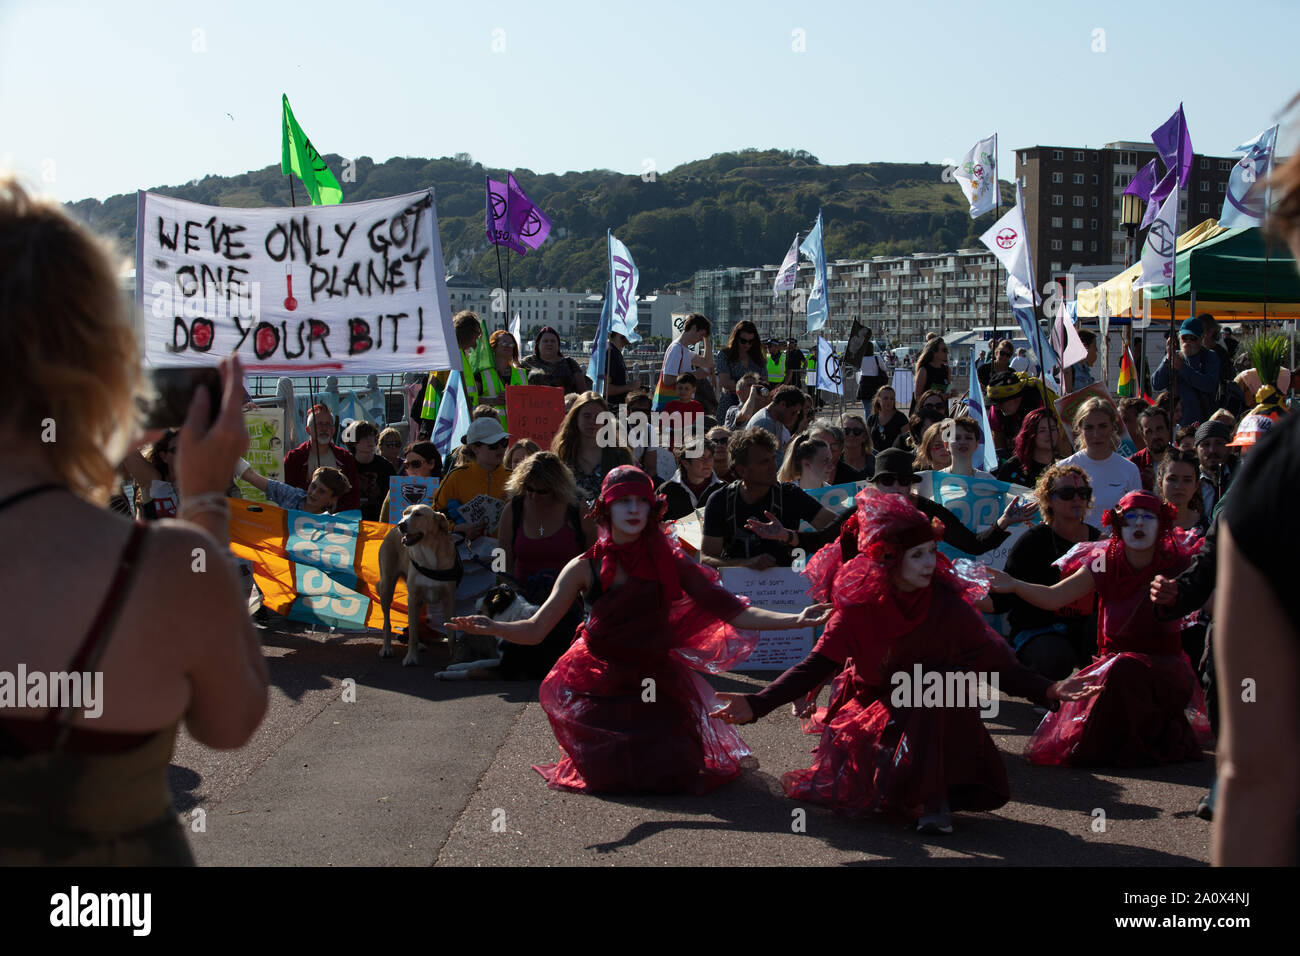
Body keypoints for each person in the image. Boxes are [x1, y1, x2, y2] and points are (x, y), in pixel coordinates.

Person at [713, 491, 1097, 833]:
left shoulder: (946, 604)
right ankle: (912, 788)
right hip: (875, 706)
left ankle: (934, 798)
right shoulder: (859, 609)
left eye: (932, 552)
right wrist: (756, 704)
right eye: (917, 555)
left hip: (931, 705)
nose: (929, 563)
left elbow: (996, 662)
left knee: (940, 682)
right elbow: (813, 667)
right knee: (927, 689)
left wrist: (1048, 688)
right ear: (890, 559)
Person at [449, 466, 832, 795]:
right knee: (610, 775)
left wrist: (798, 618)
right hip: (600, 681)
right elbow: (535, 630)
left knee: (674, 773)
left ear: (652, 508)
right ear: (605, 509)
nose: (632, 509)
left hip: (656, 679)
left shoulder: (671, 559)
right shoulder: (584, 567)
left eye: (640, 501)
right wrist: (493, 627)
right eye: (622, 501)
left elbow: (732, 610)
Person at [990, 491, 1207, 767]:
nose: (1138, 524)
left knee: (1124, 669)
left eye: (1147, 517)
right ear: (1118, 525)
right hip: (1113, 669)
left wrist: (1181, 593)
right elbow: (1054, 597)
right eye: (1130, 518)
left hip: (1163, 670)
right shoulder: (1105, 560)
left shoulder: (1177, 560)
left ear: (1161, 523)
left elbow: (1213, 601)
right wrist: (1015, 584)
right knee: (1117, 673)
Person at [485, 451, 596, 680]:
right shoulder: (513, 509)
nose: (534, 496)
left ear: (558, 488)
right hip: (523, 602)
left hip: (568, 605)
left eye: (542, 491)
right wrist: (506, 594)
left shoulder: (578, 510)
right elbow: (503, 558)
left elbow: (595, 558)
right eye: (529, 489)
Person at [989, 465, 1100, 679]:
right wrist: (962, 587)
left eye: (1083, 494)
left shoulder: (1099, 542)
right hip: (1038, 628)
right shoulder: (1032, 541)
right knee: (1054, 658)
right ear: (1049, 500)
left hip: (1084, 628)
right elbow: (1001, 601)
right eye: (1067, 494)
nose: (1076, 499)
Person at [699, 428, 840, 570]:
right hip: (737, 589)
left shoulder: (789, 495)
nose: (773, 466)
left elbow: (839, 529)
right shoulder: (720, 501)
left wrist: (789, 536)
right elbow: (706, 559)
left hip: (787, 587)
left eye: (773, 458)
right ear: (742, 470)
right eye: (764, 462)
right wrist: (746, 564)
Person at [1056, 397, 1142, 518]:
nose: (1096, 434)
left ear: (1112, 427)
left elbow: (1137, 516)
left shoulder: (1130, 469)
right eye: (1089, 428)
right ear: (1080, 430)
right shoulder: (1063, 468)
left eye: (1102, 426)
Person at [434, 418, 510, 540]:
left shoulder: (514, 478)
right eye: (494, 445)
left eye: (504, 443)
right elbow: (434, 515)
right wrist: (456, 528)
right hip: (466, 553)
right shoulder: (456, 477)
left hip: (504, 553)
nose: (501, 449)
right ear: (475, 448)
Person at [552, 391, 634, 503]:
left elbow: (629, 496)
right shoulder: (562, 454)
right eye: (587, 416)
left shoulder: (620, 456)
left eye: (598, 416)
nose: (592, 422)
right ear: (576, 418)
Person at [283, 404, 362, 512]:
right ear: (308, 430)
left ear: (333, 430)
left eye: (328, 424)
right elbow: (287, 492)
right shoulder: (294, 458)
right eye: (319, 424)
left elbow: (353, 495)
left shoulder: (345, 457)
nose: (324, 428)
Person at [1152, 316, 1221, 429]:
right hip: (1176, 425)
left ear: (1201, 338)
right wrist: (1168, 359)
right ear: (1179, 338)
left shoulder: (1209, 356)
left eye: (1193, 338)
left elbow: (1209, 384)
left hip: (1202, 423)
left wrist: (1182, 368)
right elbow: (1156, 384)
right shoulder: (1173, 356)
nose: (1188, 342)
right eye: (1185, 338)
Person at [236, 462, 350, 515]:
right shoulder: (292, 495)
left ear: (333, 499)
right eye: (313, 486)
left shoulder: (331, 526)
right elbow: (251, 475)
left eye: (322, 491)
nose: (314, 493)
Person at [657, 438, 725, 521]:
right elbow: (656, 523)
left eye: (710, 457)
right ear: (685, 463)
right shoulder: (666, 491)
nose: (707, 462)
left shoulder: (724, 490)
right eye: (701, 457)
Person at [657, 313, 713, 410]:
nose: (701, 339)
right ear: (694, 328)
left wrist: (707, 338)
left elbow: (707, 362)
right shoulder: (676, 349)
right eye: (701, 335)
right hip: (670, 406)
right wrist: (695, 375)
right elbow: (668, 380)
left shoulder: (683, 350)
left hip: (676, 406)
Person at [377, 440, 441, 525]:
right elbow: (383, 523)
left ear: (431, 463)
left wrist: (439, 505)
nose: (410, 469)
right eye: (406, 465)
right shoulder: (396, 489)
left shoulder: (444, 488)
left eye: (416, 464)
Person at [994, 407, 1059, 488]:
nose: (1049, 434)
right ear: (1030, 434)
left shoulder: (1066, 463)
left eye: (1052, 429)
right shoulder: (1012, 467)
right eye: (1042, 430)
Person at [715, 321, 766, 422]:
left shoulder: (759, 358)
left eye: (751, 341)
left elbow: (765, 383)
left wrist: (742, 386)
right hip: (729, 405)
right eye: (743, 341)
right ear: (736, 338)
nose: (747, 344)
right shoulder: (725, 355)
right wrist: (753, 388)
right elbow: (725, 382)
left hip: (754, 408)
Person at [345, 421, 395, 522]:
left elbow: (395, 496)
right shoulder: (345, 466)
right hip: (350, 521)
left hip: (379, 521)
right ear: (353, 442)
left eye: (371, 436)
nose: (369, 440)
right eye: (364, 437)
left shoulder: (386, 467)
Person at [123, 430, 180, 520]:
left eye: (187, 448)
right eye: (176, 450)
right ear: (164, 456)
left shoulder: (201, 482)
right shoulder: (155, 482)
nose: (182, 453)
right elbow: (125, 443)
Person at [477, 329, 528, 426]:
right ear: (493, 346)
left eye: (511, 344)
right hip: (490, 431)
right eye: (504, 343)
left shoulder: (522, 374)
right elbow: (470, 401)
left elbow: (529, 403)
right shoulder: (482, 374)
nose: (508, 346)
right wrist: (493, 401)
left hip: (516, 430)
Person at [521, 326, 591, 395]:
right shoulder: (526, 362)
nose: (549, 344)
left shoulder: (570, 363)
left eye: (553, 341)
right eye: (545, 341)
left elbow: (583, 393)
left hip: (565, 404)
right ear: (538, 344)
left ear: (558, 345)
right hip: (535, 404)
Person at [1157, 448, 1208, 536]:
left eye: (1187, 480)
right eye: (1172, 479)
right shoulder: (1148, 523)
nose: (1179, 486)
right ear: (1160, 482)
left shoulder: (1206, 528)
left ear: (1196, 486)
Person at [1193, 420, 1236, 517]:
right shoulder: (1188, 479)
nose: (1212, 450)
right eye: (1206, 444)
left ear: (1229, 447)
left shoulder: (1240, 476)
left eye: (1219, 443)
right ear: (1195, 451)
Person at [746, 384, 804, 455]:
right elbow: (767, 461)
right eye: (793, 412)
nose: (795, 417)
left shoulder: (776, 421)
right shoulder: (765, 423)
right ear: (782, 404)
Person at [1130, 405, 1171, 492]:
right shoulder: (1133, 465)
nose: (1155, 436)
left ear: (1168, 430)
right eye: (1149, 432)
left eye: (1159, 429)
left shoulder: (1183, 461)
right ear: (1142, 436)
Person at [894, 389, 948, 454]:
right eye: (928, 407)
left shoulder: (953, 435)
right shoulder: (902, 441)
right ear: (920, 409)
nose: (934, 410)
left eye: (939, 406)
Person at [911, 337, 950, 413]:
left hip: (942, 412)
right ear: (935, 353)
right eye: (944, 350)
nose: (947, 353)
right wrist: (935, 399)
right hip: (927, 413)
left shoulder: (946, 369)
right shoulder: (924, 370)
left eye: (947, 350)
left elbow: (947, 390)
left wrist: (951, 393)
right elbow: (918, 396)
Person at [834, 413, 874, 483]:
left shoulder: (875, 462)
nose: (851, 434)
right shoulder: (832, 465)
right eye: (846, 431)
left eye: (857, 431)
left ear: (864, 436)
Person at [854, 327, 887, 409]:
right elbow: (884, 368)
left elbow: (856, 366)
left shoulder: (861, 359)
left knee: (866, 407)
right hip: (875, 382)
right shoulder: (877, 357)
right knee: (876, 406)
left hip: (864, 382)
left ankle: (868, 421)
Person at [867, 385, 907, 451]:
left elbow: (906, 443)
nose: (889, 401)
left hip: (895, 456)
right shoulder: (872, 419)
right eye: (885, 398)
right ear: (878, 400)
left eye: (892, 399)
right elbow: (867, 442)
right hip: (876, 457)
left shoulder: (901, 418)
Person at [603, 330, 634, 407]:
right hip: (612, 410)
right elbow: (605, 389)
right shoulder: (610, 353)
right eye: (631, 330)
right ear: (620, 332)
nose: (633, 334)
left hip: (620, 409)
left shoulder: (615, 352)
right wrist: (630, 387)